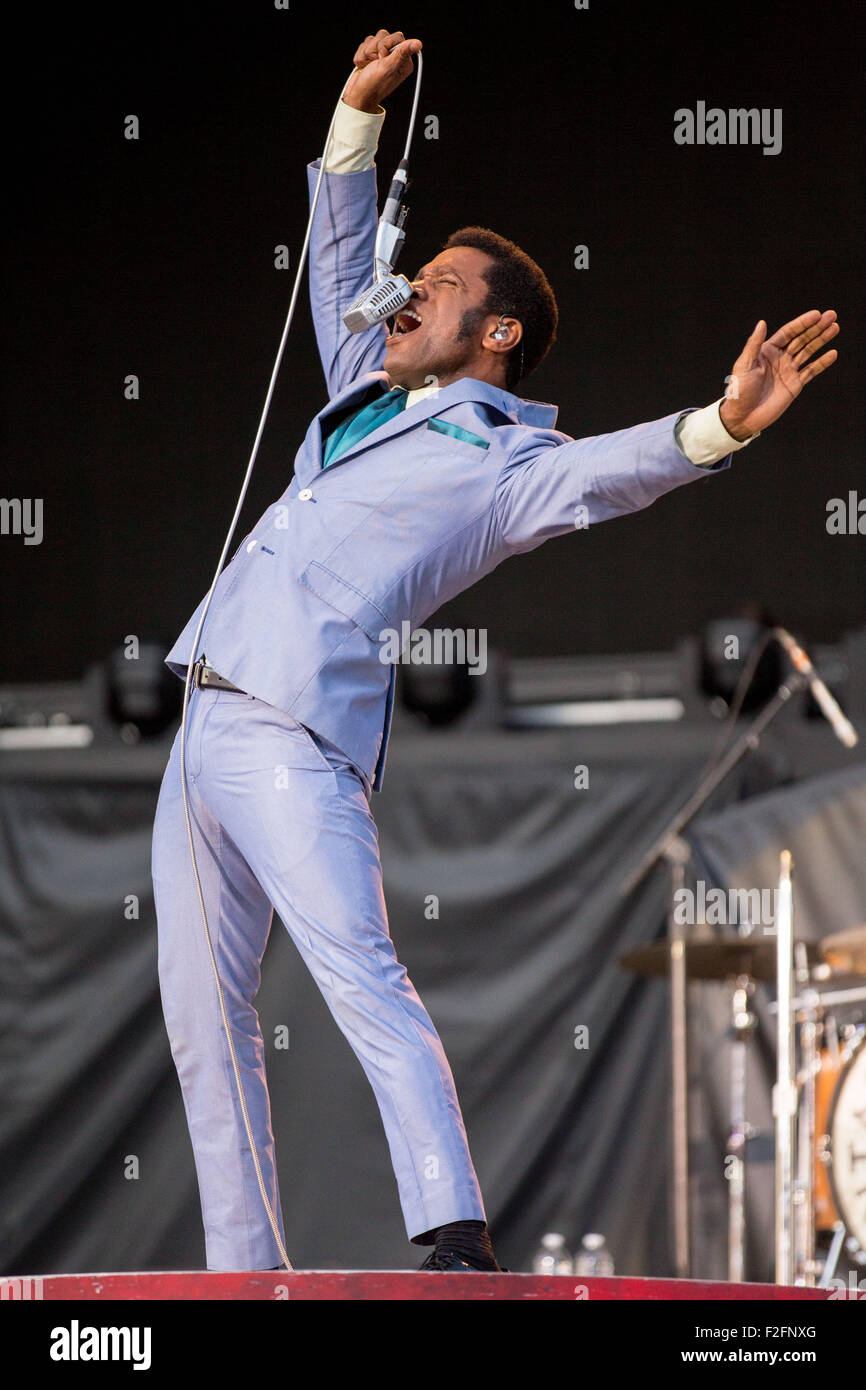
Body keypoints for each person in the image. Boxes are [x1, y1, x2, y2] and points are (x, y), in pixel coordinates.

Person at [150, 29, 839, 1274]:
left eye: (444, 286)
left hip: (293, 732)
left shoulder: (500, 459)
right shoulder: (367, 385)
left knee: (360, 976)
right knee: (204, 1023)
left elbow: (604, 476)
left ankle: (453, 1235)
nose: (408, 290)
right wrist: (353, 127)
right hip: (198, 716)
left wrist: (718, 423)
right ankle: (238, 1270)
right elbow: (342, 264)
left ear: (498, 335)